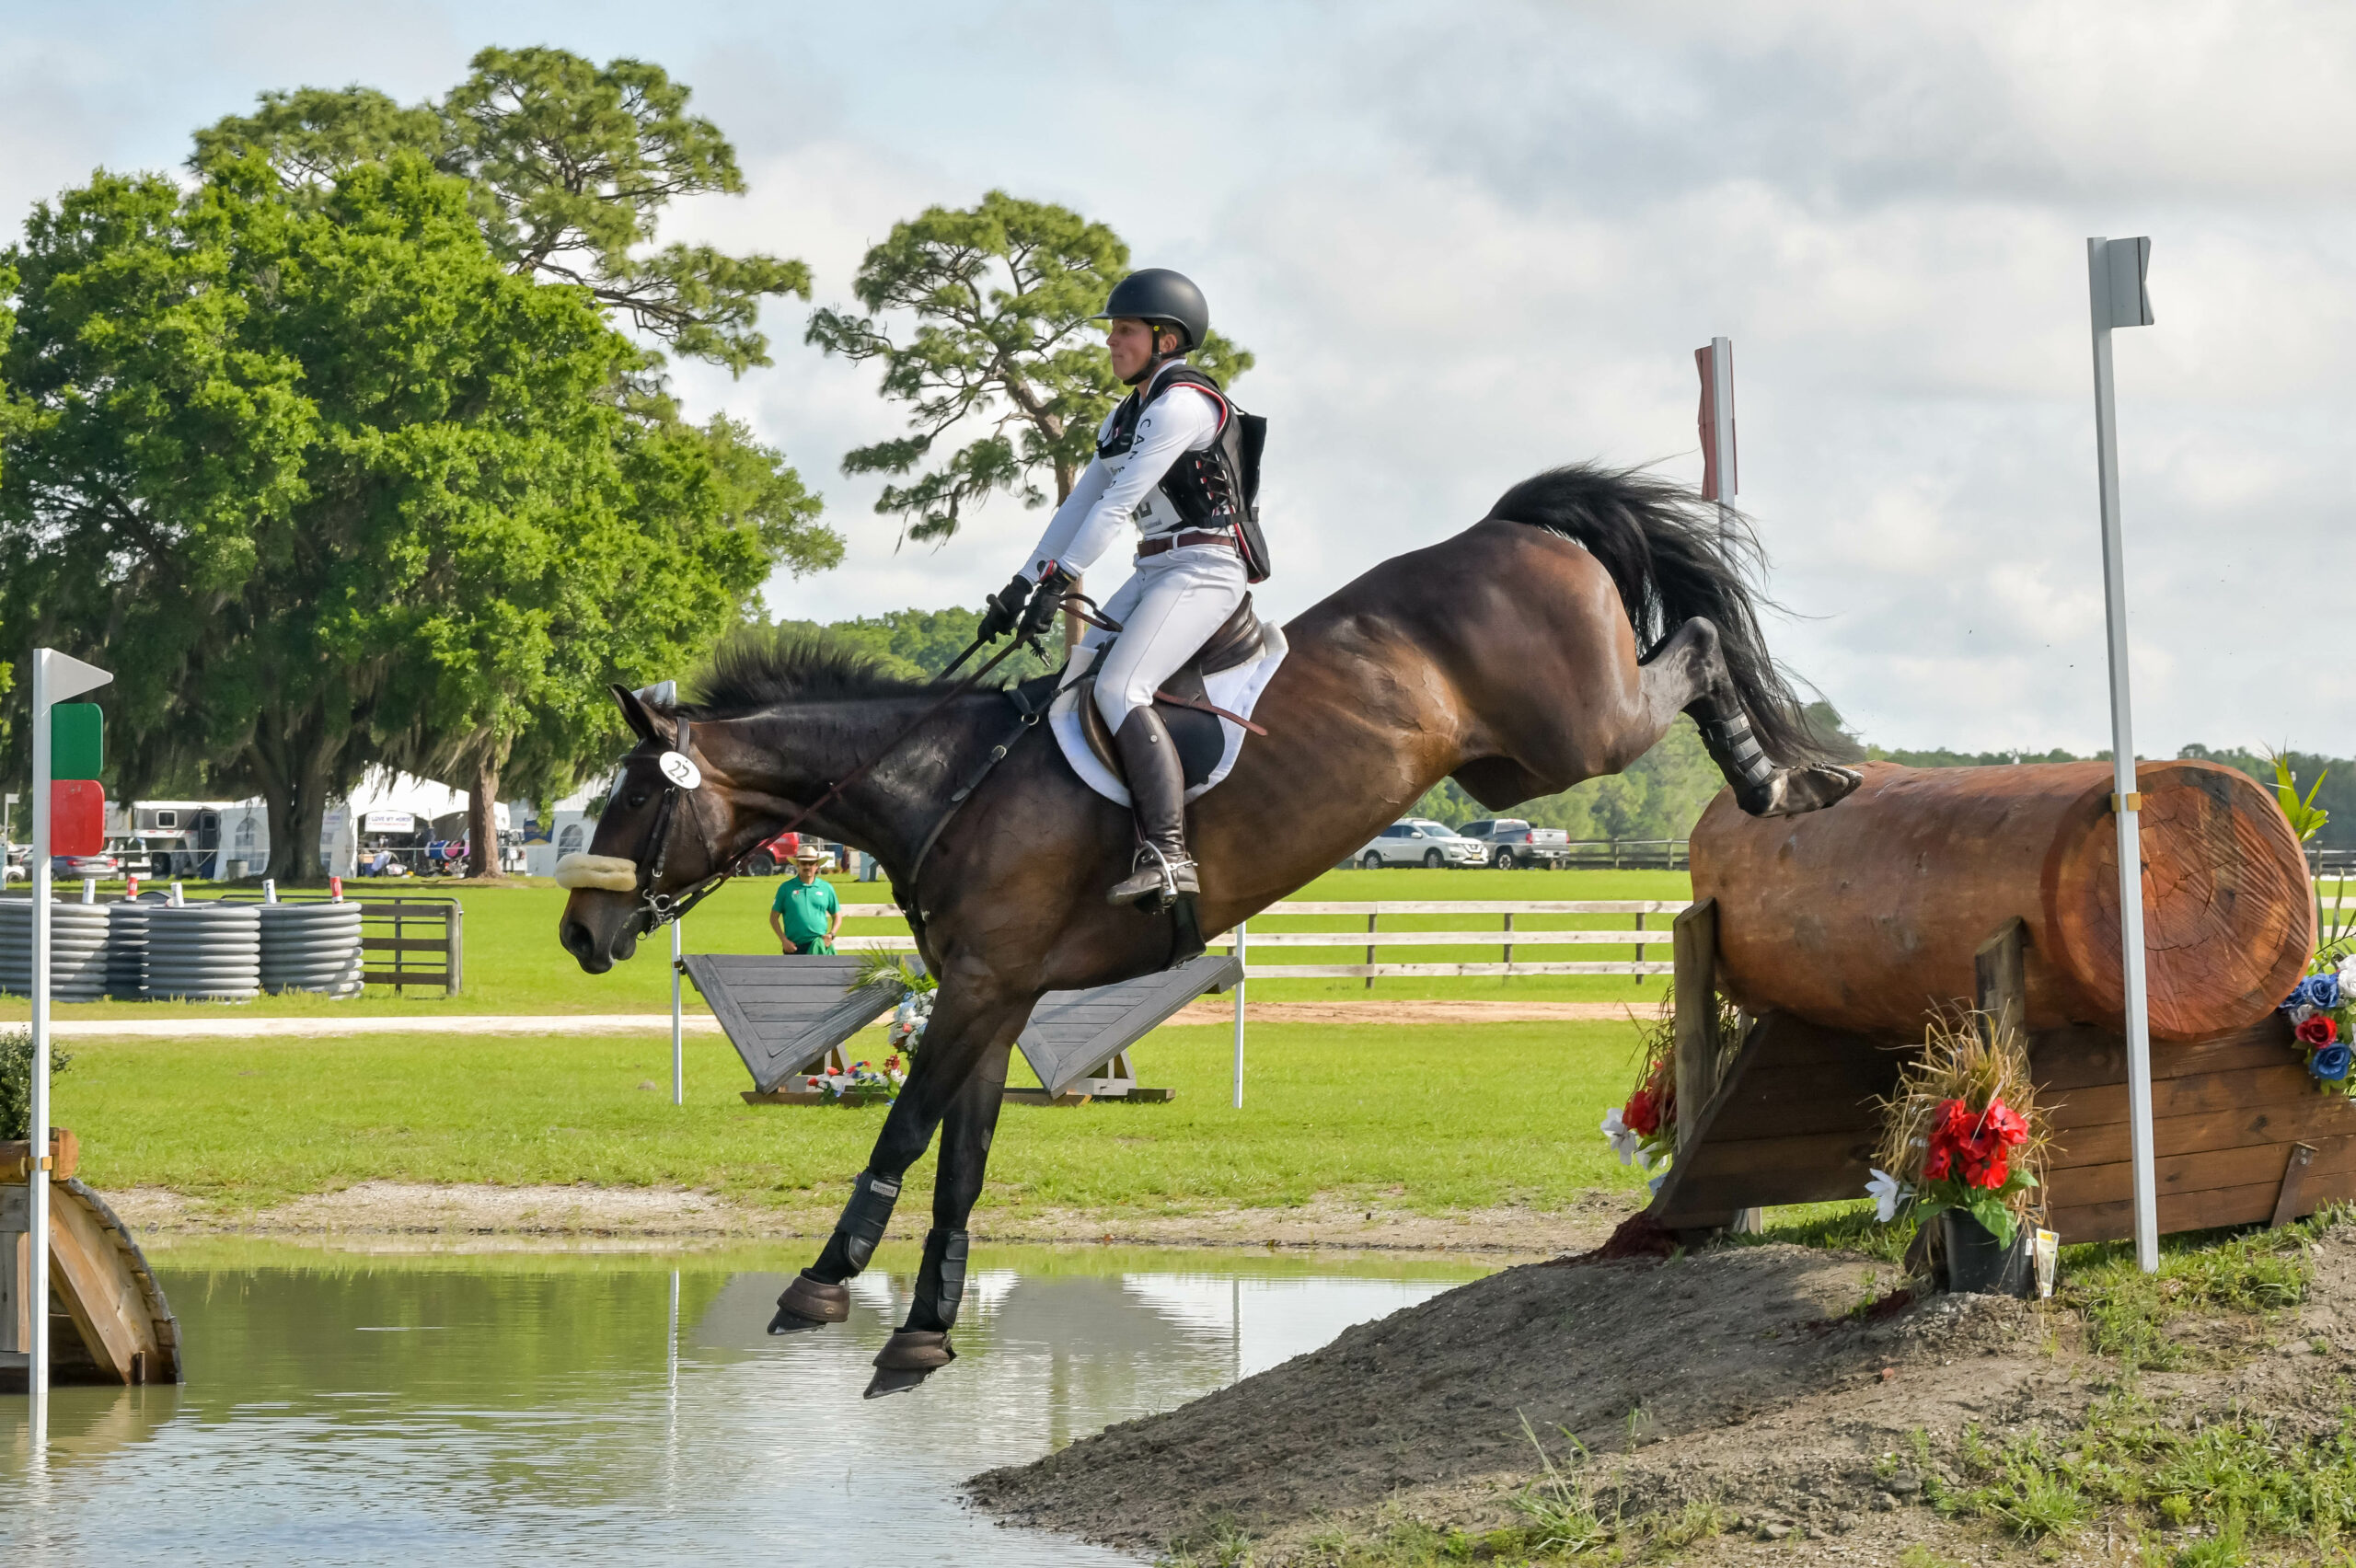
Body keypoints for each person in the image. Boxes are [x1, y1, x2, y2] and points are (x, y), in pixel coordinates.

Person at [973, 268, 1266, 907]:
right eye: (1114, 333)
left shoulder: (1182, 406)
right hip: (1156, 568)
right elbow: (1079, 505)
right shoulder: (1125, 415)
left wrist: (1058, 583)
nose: (1112, 343)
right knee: (1080, 671)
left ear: (1166, 339)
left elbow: (1117, 505)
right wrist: (1021, 585)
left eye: (1125, 332)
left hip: (1205, 569)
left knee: (1118, 685)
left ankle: (1168, 855)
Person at [769, 841, 842, 955]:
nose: (807, 866)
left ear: (817, 865)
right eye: (803, 863)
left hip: (819, 944)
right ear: (798, 864)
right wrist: (784, 940)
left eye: (811, 863)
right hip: (793, 947)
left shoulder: (826, 888)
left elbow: (837, 915)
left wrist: (831, 934)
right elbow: (773, 918)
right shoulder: (786, 888)